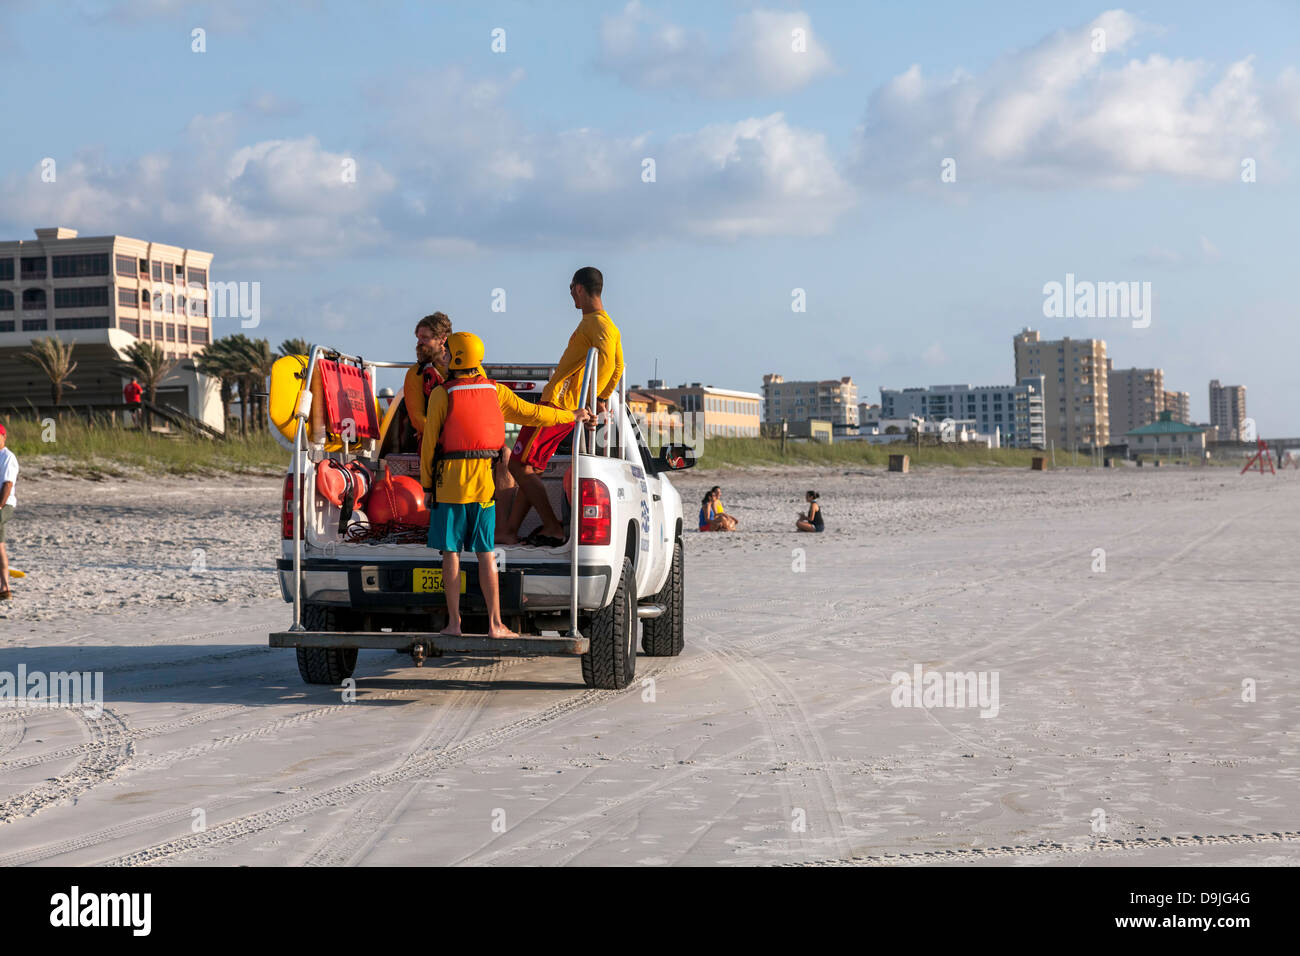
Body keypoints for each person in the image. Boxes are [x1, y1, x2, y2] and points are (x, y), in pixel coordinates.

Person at [420, 332, 591, 637]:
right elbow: (535, 413)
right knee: (486, 552)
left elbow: (430, 443)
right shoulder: (496, 392)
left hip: (449, 488)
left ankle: (454, 624)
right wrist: (572, 415)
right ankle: (496, 624)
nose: (443, 358)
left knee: (451, 554)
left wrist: (427, 485)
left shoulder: (441, 394)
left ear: (458, 358)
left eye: (447, 354)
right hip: (484, 488)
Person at [497, 266, 623, 546]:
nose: (571, 296)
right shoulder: (609, 324)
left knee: (517, 465)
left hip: (559, 405)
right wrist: (601, 398)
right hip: (567, 405)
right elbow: (619, 367)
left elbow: (605, 361)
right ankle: (509, 529)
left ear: (579, 288)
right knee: (531, 468)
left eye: (571, 290)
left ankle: (553, 526)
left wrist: (588, 400)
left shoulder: (595, 324)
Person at [402, 313, 452, 448]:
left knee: (505, 454)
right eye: (418, 338)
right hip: (435, 440)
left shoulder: (465, 368)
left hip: (466, 436)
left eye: (425, 338)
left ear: (442, 340)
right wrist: (445, 436)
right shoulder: (415, 374)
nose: (419, 343)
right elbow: (417, 419)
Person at [0, 424, 17, 600]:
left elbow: (8, 484)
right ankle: (4, 588)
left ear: (4, 437)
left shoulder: (7, 457)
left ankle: (5, 587)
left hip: (4, 505)